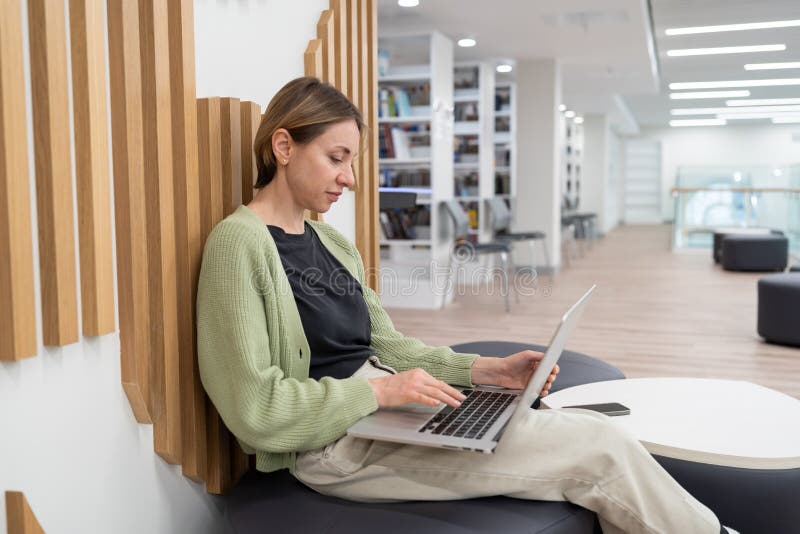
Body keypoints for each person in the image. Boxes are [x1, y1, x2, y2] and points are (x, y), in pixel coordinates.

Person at [197, 77, 732, 534]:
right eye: (337, 159)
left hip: (385, 415)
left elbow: (385, 345)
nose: (351, 179)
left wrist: (485, 370)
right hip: (334, 449)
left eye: (352, 161)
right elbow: (255, 412)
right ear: (284, 146)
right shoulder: (238, 245)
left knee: (595, 434)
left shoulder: (332, 242)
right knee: (599, 453)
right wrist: (377, 391)